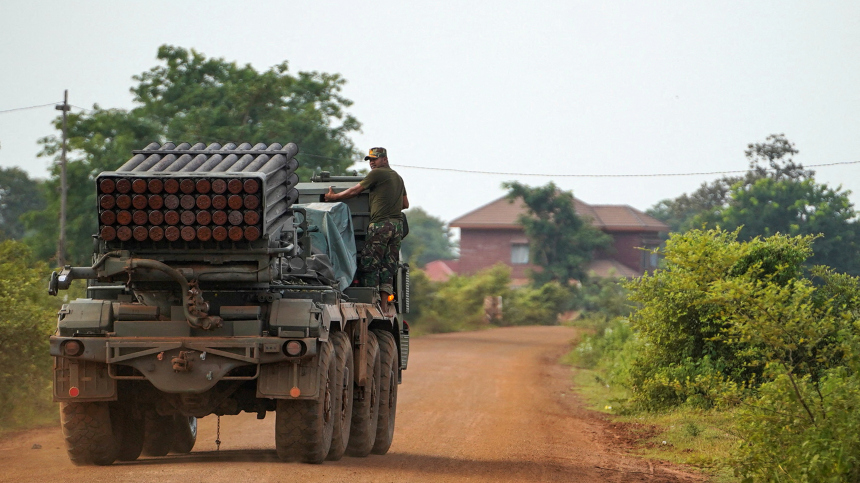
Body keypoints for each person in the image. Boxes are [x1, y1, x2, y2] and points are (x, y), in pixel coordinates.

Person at [325, 147, 408, 315]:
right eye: (369, 160)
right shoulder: (398, 178)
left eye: (375, 159)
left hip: (380, 225)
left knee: (370, 264)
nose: (372, 163)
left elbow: (356, 190)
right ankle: (384, 306)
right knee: (388, 266)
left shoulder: (377, 173)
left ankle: (371, 304)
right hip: (396, 226)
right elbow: (405, 204)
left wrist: (334, 198)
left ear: (384, 159)